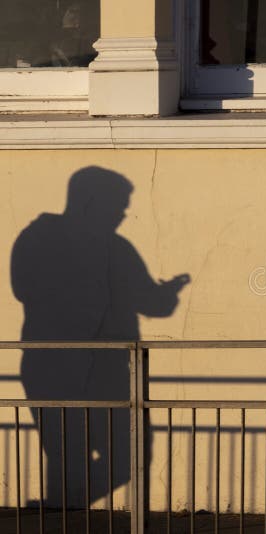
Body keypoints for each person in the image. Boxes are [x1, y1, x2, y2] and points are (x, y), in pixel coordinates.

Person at [10, 166, 189, 508]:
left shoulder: (105, 246)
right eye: (118, 204)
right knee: (72, 454)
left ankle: (61, 509)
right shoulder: (48, 238)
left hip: (95, 365)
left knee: (114, 455)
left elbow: (152, 302)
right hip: (60, 363)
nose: (123, 213)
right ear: (91, 201)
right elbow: (27, 289)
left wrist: (167, 294)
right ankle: (62, 510)